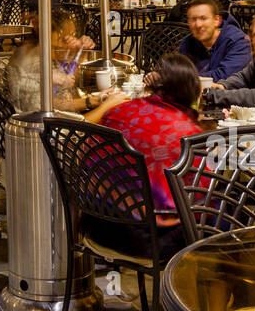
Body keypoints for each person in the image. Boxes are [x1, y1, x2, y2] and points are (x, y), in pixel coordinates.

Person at [83, 53, 208, 254]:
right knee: (224, 213)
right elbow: (202, 194)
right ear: (193, 94)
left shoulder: (118, 111)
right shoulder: (186, 132)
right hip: (146, 239)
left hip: (97, 224)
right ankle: (194, 283)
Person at [8, 7, 124, 115]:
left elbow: (61, 95)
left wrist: (92, 101)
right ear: (49, 35)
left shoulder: (46, 56)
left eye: (73, 35)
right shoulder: (35, 65)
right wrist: (104, 106)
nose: (72, 40)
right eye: (65, 37)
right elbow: (58, 120)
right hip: (47, 132)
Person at [148, 0, 251, 81]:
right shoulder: (188, 42)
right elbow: (176, 68)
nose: (198, 24)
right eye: (193, 19)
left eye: (203, 18)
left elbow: (225, 76)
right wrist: (160, 75)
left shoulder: (239, 42)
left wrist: (180, 78)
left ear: (217, 20)